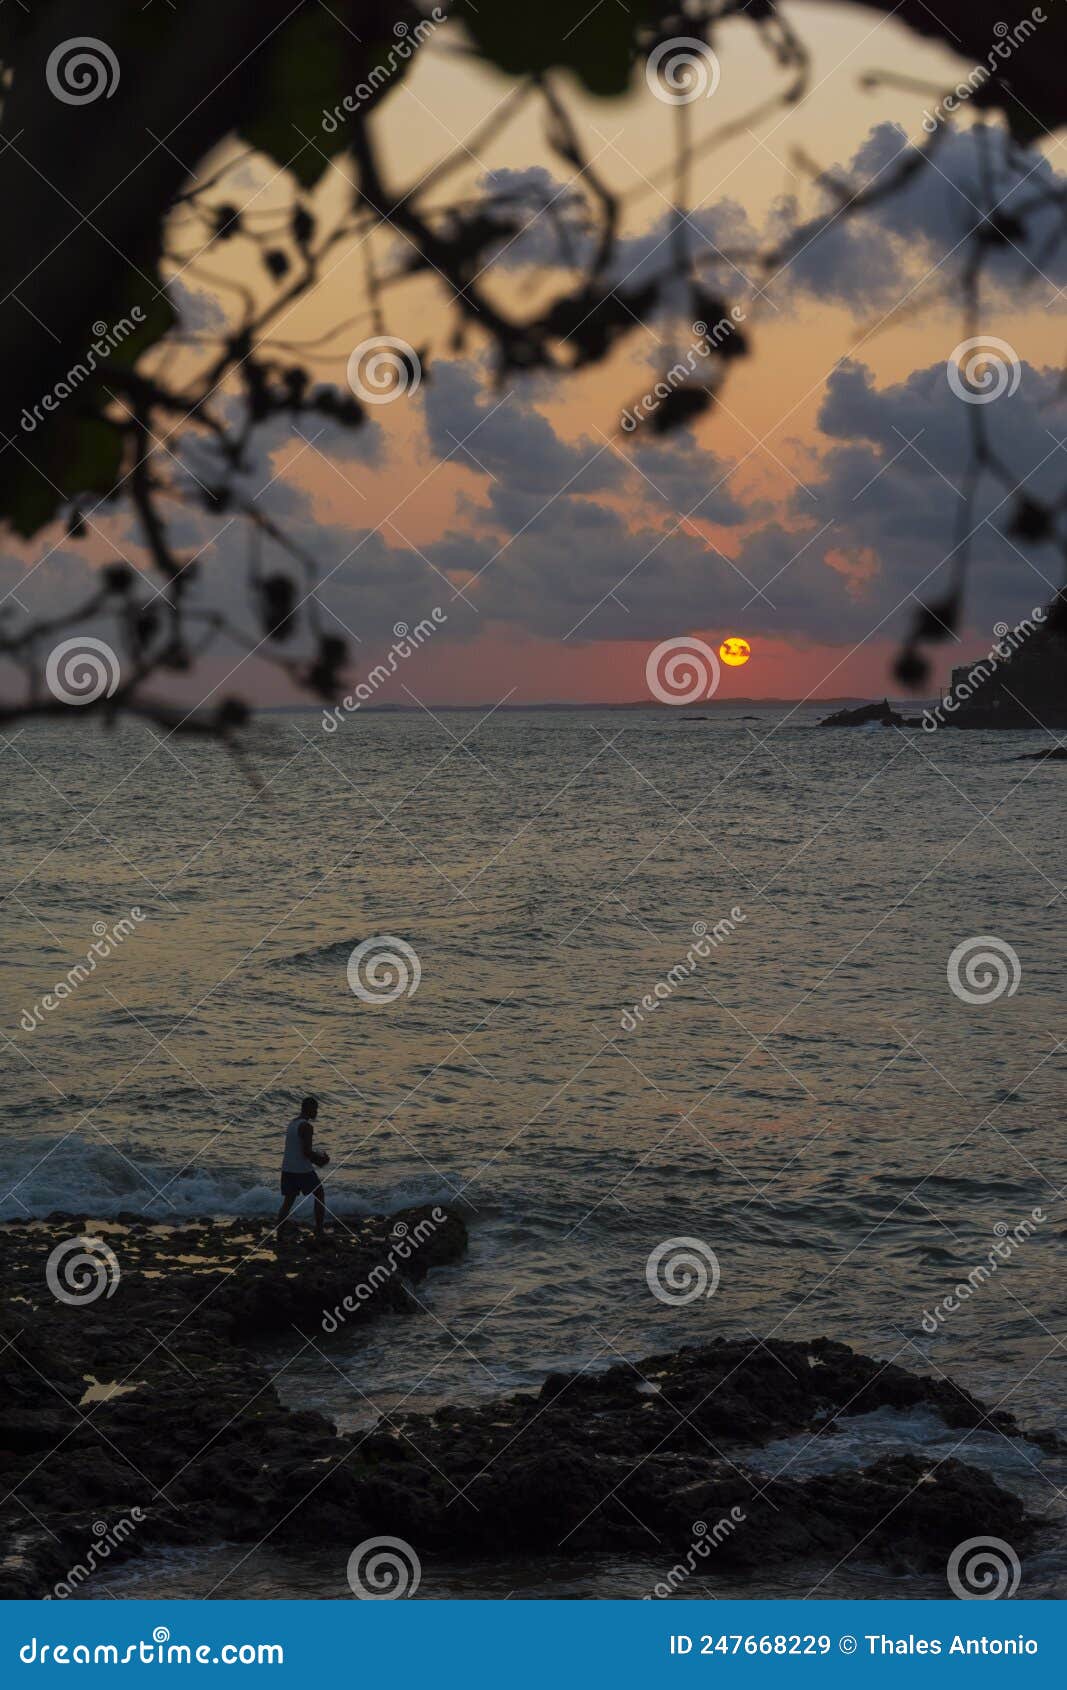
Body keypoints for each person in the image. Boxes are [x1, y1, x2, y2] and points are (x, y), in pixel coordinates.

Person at [276, 1095, 330, 1243]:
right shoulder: (307, 1127)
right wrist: (322, 1161)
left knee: (288, 1201)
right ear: (309, 1109)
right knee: (319, 1194)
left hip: (287, 1169)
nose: (317, 1112)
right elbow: (306, 1152)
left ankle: (279, 1235)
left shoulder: (292, 1123)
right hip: (301, 1170)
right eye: (316, 1109)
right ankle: (319, 1230)